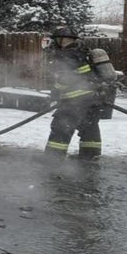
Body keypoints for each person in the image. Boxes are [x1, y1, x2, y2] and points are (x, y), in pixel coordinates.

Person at [43, 26, 108, 163]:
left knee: (61, 127)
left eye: (64, 40)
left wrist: (56, 89)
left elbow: (65, 80)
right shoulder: (83, 51)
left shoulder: (65, 55)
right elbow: (89, 74)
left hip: (75, 100)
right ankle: (90, 155)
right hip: (93, 98)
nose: (63, 43)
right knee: (89, 126)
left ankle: (53, 158)